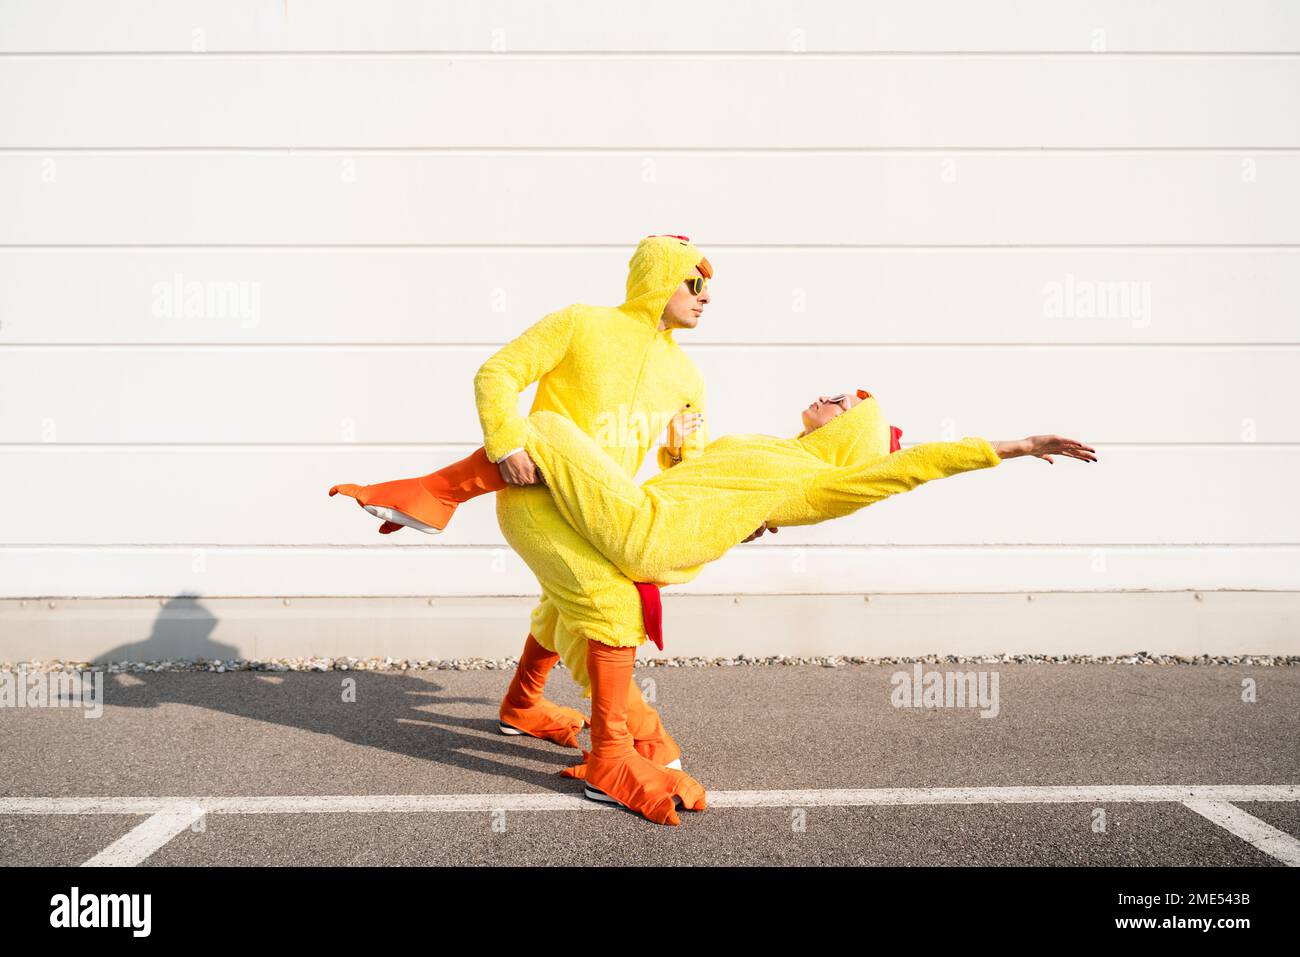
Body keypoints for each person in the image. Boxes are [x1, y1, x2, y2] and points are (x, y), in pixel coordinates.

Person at [332, 387, 1096, 823]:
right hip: (648, 510)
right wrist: (680, 449)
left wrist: (1015, 445)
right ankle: (618, 737)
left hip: (646, 533)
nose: (827, 396)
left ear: (851, 434)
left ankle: (434, 494)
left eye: (843, 401)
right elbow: (701, 483)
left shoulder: (819, 479)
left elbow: (909, 469)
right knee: (549, 547)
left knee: (541, 429)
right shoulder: (770, 450)